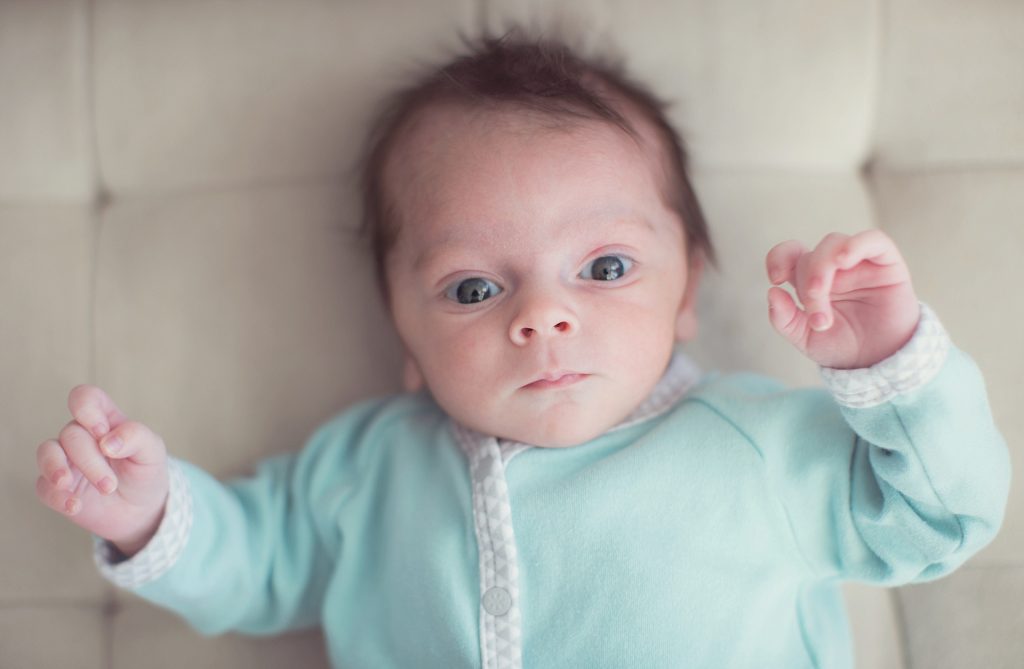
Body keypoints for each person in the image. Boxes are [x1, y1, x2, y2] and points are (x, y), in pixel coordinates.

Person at [34, 31, 1009, 668]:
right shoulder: (368, 463)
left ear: (685, 291)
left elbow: (941, 517)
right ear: (404, 336)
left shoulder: (756, 445)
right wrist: (150, 511)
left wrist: (888, 364)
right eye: (473, 289)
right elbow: (258, 563)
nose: (542, 317)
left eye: (605, 267)